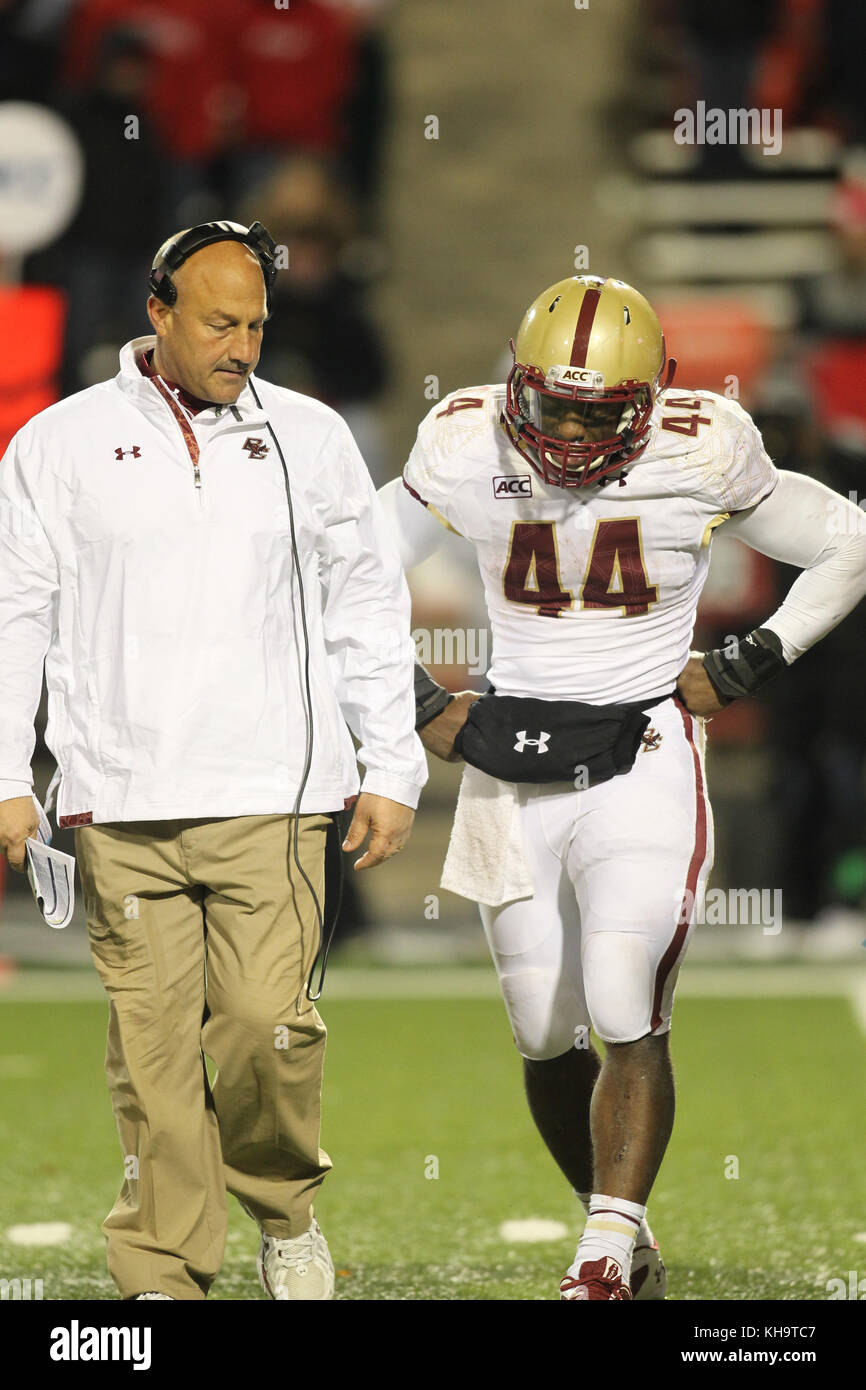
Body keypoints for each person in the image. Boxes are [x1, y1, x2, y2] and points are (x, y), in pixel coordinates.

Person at [378, 273, 866, 1301]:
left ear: (647, 399)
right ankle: (619, 1235)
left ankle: (603, 1246)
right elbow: (349, 569)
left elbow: (845, 540)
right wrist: (420, 698)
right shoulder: (467, 440)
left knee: (618, 995)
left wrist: (747, 659)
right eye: (549, 403)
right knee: (539, 1027)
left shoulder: (702, 445)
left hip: (643, 746)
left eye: (591, 412)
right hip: (510, 761)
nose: (562, 432)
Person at [0, 219, 426, 1301]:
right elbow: (16, 615)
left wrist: (392, 763)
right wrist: (9, 771)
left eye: (258, 325)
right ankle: (163, 1268)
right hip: (119, 799)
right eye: (221, 322)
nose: (243, 345)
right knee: (150, 1059)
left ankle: (284, 1211)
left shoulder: (315, 437)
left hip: (272, 794)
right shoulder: (56, 443)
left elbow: (366, 606)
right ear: (158, 311)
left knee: (264, 1030)